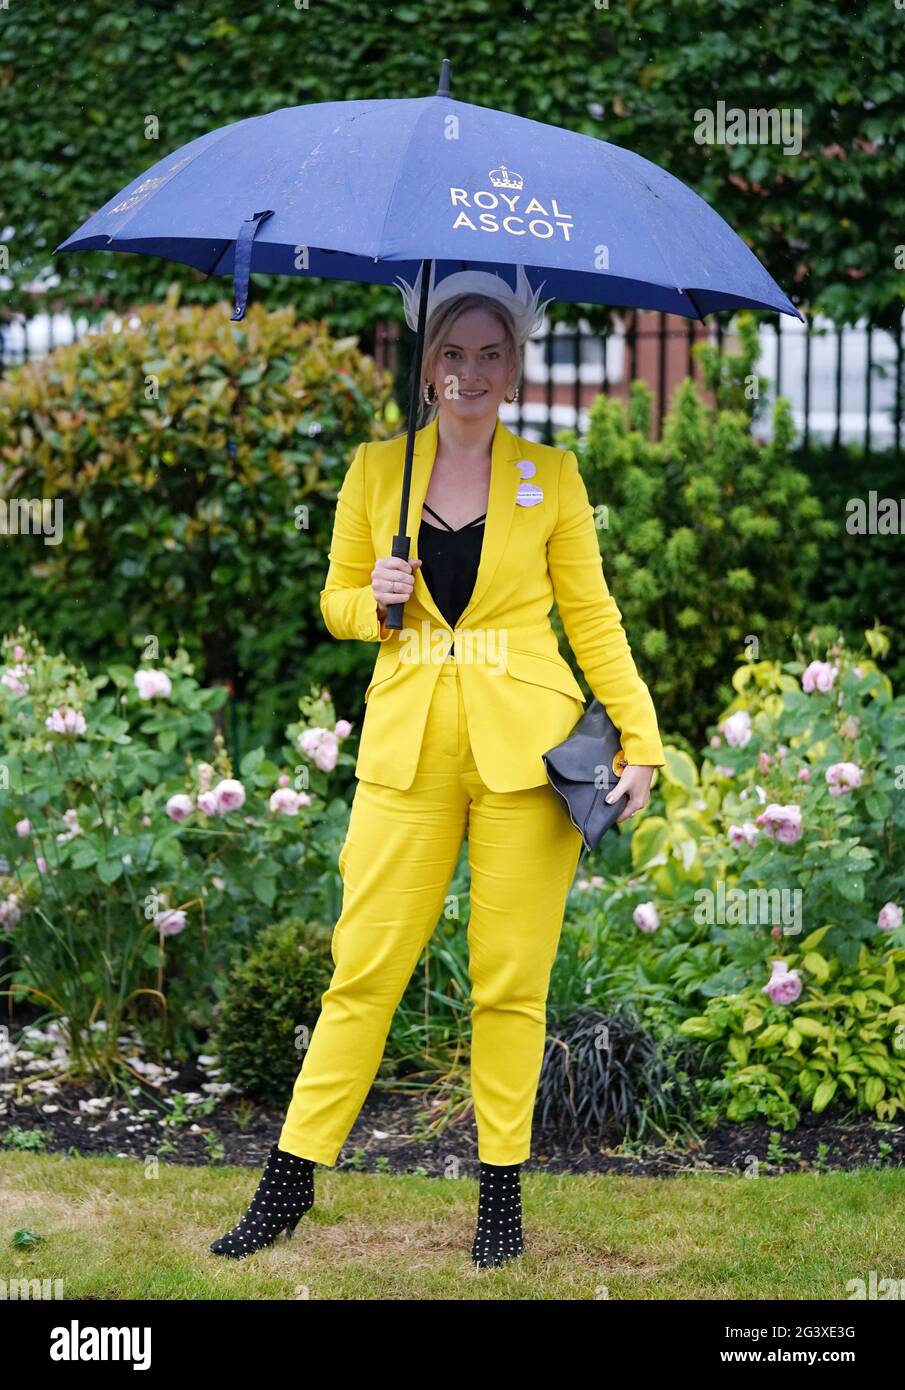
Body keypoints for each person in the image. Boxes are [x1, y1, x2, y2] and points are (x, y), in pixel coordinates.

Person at [210, 264, 666, 1268]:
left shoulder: (553, 475)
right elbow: (331, 604)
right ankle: (286, 1184)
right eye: (450, 353)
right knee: (361, 970)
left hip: (524, 758)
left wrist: (642, 740)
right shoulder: (378, 471)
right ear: (426, 365)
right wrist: (369, 597)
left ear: (513, 365)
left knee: (509, 987)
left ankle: (498, 1206)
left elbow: (591, 619)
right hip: (406, 748)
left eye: (487, 353)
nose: (468, 371)